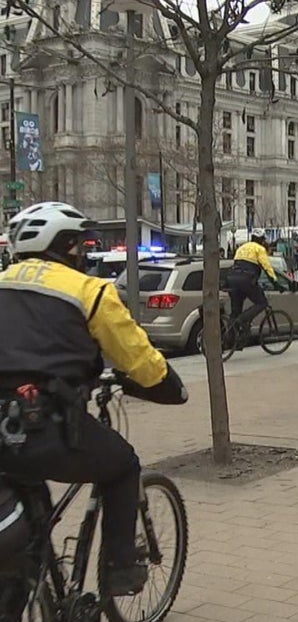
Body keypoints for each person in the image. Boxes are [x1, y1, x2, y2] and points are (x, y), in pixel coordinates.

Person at [0, 202, 188, 599]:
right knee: (122, 465)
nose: (83, 253)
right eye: (79, 245)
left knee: (30, 501)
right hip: (49, 427)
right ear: (66, 246)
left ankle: (35, 585)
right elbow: (138, 358)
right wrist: (169, 387)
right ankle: (120, 570)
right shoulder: (90, 291)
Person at [226, 229, 287, 345]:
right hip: (246, 279)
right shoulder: (259, 249)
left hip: (232, 279)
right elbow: (267, 267)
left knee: (235, 311)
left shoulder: (242, 248)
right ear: (261, 240)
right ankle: (243, 320)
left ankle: (231, 339)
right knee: (261, 303)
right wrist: (276, 283)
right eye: (263, 240)